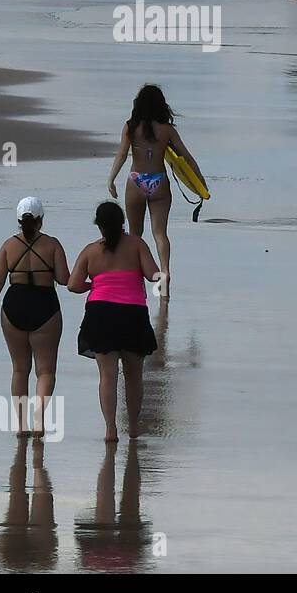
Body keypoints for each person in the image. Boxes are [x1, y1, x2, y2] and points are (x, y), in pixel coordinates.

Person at [0, 198, 69, 436]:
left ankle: (20, 426)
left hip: (13, 306)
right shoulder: (52, 245)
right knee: (45, 371)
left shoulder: (8, 246)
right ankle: (39, 421)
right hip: (45, 306)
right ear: (41, 220)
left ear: (19, 221)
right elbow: (64, 279)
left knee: (19, 370)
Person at [69, 202, 160, 442]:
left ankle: (110, 429)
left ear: (98, 225)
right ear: (123, 223)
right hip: (133, 315)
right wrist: (162, 277)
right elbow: (153, 274)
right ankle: (132, 426)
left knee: (107, 377)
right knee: (134, 377)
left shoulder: (90, 251)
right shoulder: (137, 244)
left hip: (100, 314)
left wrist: (96, 285)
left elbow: (72, 284)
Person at [106, 85, 205, 295]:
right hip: (159, 181)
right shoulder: (167, 130)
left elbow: (122, 155)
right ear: (161, 105)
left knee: (135, 235)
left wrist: (111, 179)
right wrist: (200, 183)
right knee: (160, 233)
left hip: (136, 181)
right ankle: (165, 274)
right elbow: (185, 157)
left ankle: (135, 278)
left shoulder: (130, 127)